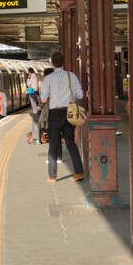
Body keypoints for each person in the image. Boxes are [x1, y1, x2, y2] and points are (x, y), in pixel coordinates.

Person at [38, 51, 85, 182]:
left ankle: (52, 176)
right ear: (63, 63)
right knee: (70, 142)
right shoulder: (72, 76)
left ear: (52, 64)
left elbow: (43, 100)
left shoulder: (48, 79)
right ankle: (79, 173)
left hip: (55, 114)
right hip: (69, 113)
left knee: (53, 143)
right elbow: (80, 95)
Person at [25, 67, 41, 143]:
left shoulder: (32, 76)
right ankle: (36, 110)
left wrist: (28, 78)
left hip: (32, 91)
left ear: (29, 72)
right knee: (34, 103)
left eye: (28, 73)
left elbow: (28, 84)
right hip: (36, 91)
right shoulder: (36, 76)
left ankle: (35, 111)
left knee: (33, 103)